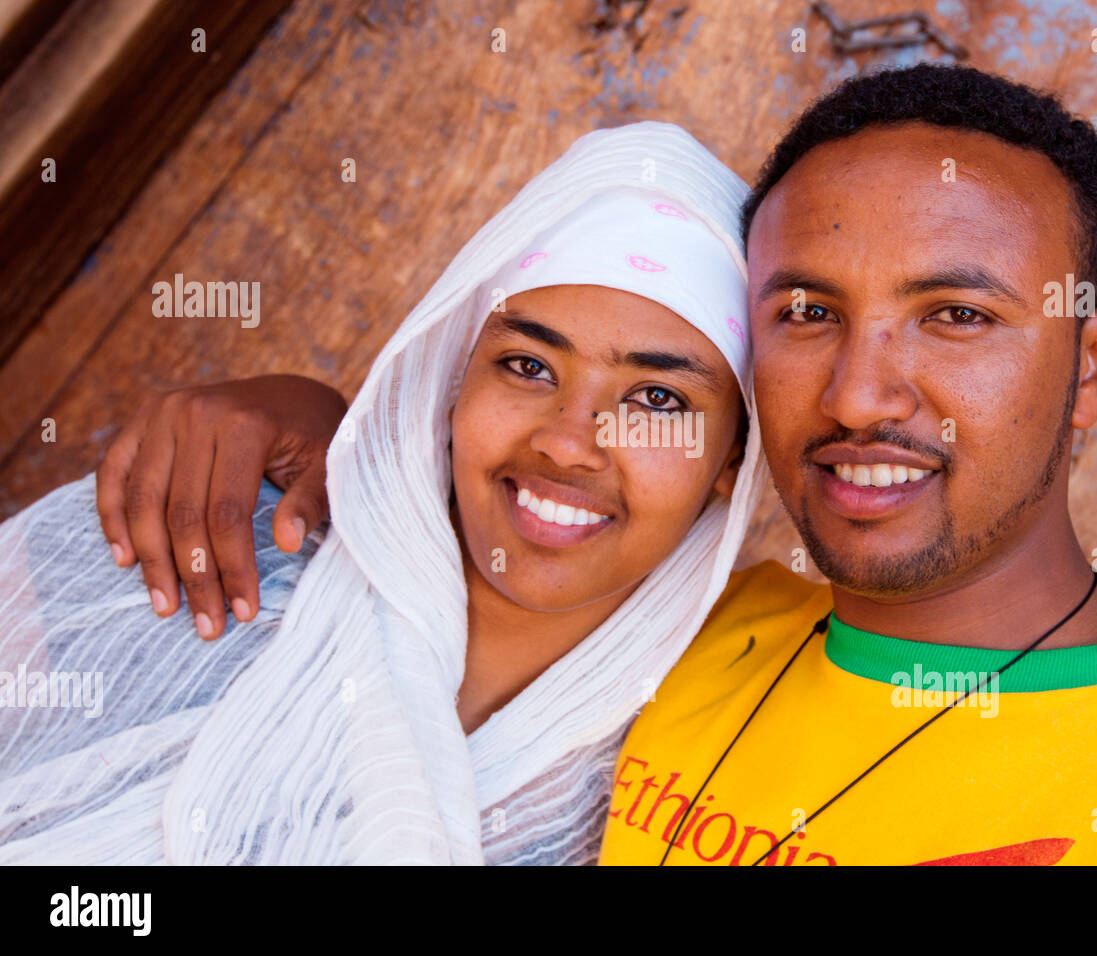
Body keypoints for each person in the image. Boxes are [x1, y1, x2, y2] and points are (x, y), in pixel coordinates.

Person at [128, 65, 1097, 866]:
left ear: (1091, 362)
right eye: (805, 310)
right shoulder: (677, 622)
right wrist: (303, 420)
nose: (856, 394)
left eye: (953, 315)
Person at [0, 121, 767, 865]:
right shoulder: (201, 542)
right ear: (452, 374)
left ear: (733, 458)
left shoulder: (686, 797)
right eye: (528, 366)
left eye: (657, 401)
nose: (568, 441)